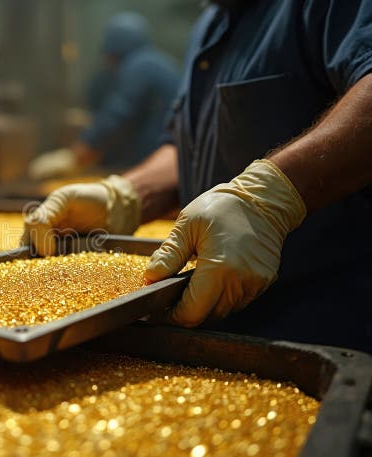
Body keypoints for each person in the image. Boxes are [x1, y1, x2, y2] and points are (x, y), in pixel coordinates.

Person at [24, 0, 372, 353]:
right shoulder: (210, 24)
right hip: (219, 334)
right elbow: (186, 144)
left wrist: (269, 198)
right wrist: (127, 195)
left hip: (324, 331)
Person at [29, 12, 180, 180]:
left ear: (114, 49)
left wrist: (73, 157)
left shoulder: (140, 66)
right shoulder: (155, 61)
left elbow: (117, 116)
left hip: (156, 161)